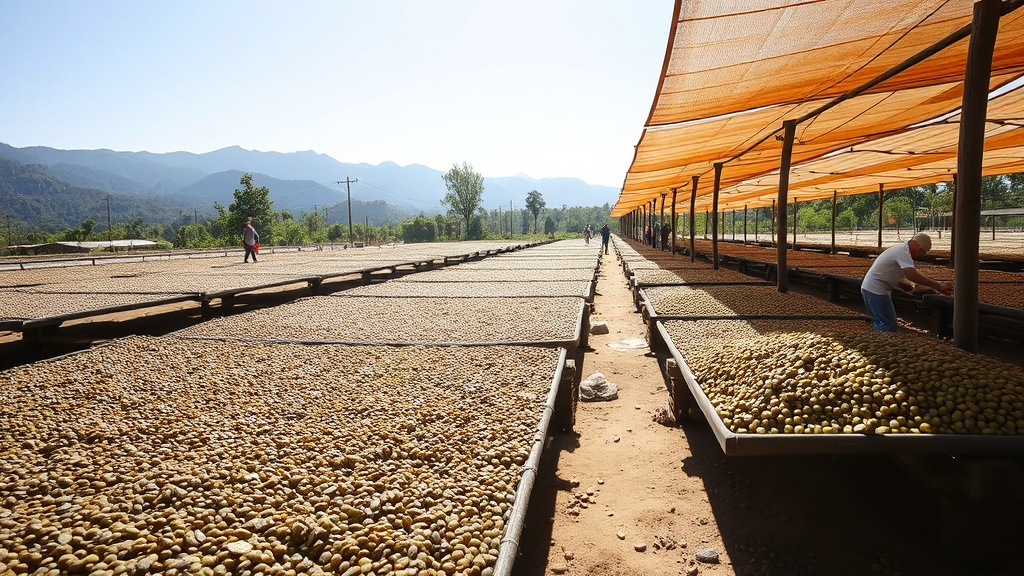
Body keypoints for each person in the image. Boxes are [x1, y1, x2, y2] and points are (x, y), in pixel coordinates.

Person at [860, 232, 952, 332]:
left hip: (875, 289)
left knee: (885, 322)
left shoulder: (902, 250)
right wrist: (935, 284)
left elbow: (911, 279)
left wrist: (936, 286)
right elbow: (911, 274)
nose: (921, 256)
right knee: (888, 324)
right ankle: (882, 342)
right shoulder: (902, 252)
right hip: (875, 289)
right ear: (917, 246)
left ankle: (881, 338)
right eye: (922, 253)